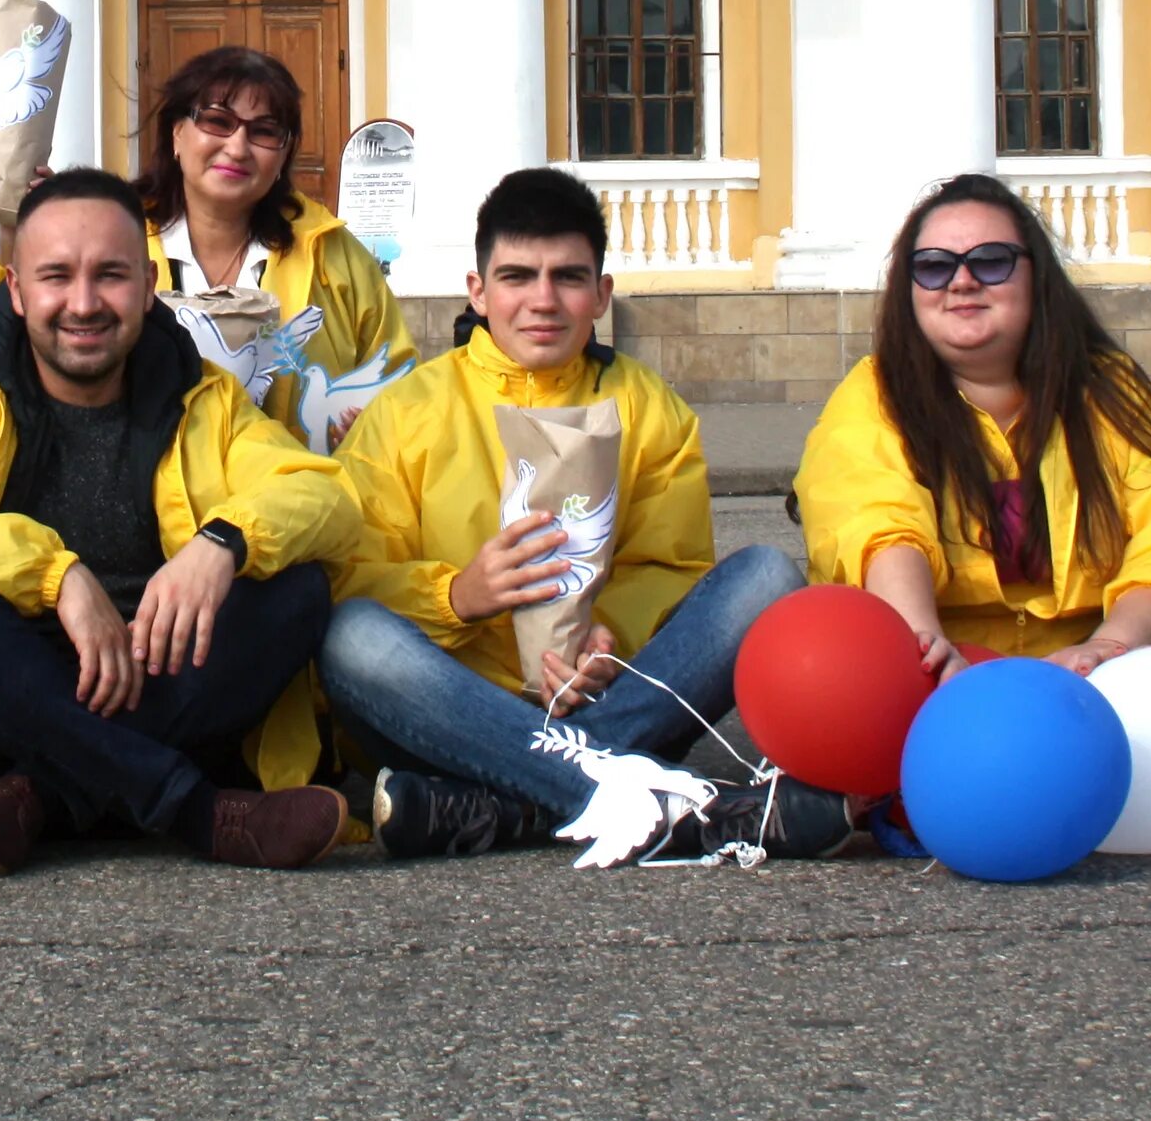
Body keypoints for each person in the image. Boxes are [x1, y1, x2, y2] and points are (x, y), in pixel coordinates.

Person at [0, 167, 362, 881]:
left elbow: (326, 494)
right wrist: (54, 574)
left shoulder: (203, 396)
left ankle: (45, 796)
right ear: (16, 288)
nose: (84, 303)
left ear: (149, 282)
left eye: (112, 275)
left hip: (159, 683)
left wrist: (222, 542)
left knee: (296, 588)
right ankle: (191, 807)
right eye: (57, 276)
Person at [317, 167, 846, 863]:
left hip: (603, 698)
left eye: (568, 277)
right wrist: (455, 595)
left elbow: (671, 565)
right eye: (516, 276)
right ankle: (709, 810)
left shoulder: (650, 406)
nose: (543, 300)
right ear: (477, 291)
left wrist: (610, 637)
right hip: (451, 711)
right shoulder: (406, 412)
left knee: (768, 577)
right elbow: (351, 577)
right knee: (348, 636)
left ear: (601, 293)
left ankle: (494, 806)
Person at [796, 172, 1151, 694]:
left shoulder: (1111, 390)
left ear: (1036, 278)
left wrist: (1109, 647)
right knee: (819, 655)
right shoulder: (874, 392)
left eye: (990, 261)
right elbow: (875, 525)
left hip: (1089, 664)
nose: (961, 281)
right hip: (939, 663)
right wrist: (921, 645)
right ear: (909, 289)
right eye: (933, 267)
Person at [136, 46, 415, 450]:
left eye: (264, 131)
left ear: (284, 154)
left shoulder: (334, 255)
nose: (237, 147)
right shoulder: (118, 242)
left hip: (305, 502)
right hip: (157, 505)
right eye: (218, 121)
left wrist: (372, 433)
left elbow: (399, 383)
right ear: (176, 133)